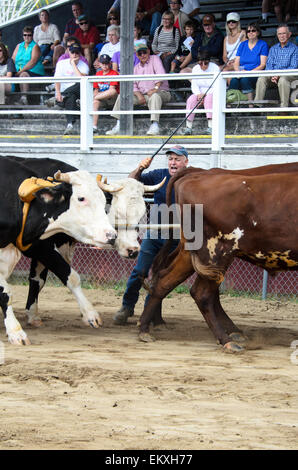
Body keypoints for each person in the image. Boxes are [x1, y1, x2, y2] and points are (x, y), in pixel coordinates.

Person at [113, 145, 189, 325]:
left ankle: (150, 312)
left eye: (177, 159)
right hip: (154, 235)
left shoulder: (192, 178)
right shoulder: (158, 174)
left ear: (186, 162)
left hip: (177, 239)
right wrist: (141, 168)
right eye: (170, 158)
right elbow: (131, 181)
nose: (173, 162)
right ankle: (127, 306)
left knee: (161, 276)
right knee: (139, 271)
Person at [106, 43, 171, 136]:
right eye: (140, 53)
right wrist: (139, 96)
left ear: (148, 51)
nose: (143, 55)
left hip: (161, 92)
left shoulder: (155, 59)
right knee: (122, 97)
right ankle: (118, 125)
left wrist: (155, 89)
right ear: (137, 55)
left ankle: (155, 125)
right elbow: (133, 84)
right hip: (144, 95)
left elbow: (160, 74)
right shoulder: (136, 68)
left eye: (144, 52)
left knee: (155, 96)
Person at [254, 24, 298, 110]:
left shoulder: (295, 49)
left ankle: (283, 108)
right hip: (274, 75)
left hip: (289, 75)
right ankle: (257, 106)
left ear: (289, 34)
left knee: (283, 79)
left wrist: (279, 75)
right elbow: (269, 65)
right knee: (261, 79)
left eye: (284, 33)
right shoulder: (273, 49)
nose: (282, 36)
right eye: (279, 34)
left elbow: (293, 66)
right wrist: (273, 75)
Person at [54, 43, 89, 135]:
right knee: (71, 97)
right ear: (69, 52)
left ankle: (64, 96)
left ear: (80, 54)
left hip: (79, 91)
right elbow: (57, 79)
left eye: (77, 53)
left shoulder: (84, 65)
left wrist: (73, 64)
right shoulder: (61, 63)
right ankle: (70, 124)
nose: (74, 55)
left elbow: (82, 79)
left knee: (80, 83)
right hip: (65, 94)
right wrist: (58, 93)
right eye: (72, 52)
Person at [228, 23, 269, 103]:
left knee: (244, 80)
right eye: (248, 31)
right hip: (242, 73)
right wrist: (238, 73)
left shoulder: (263, 44)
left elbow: (262, 64)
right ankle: (230, 106)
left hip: (255, 73)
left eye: (253, 31)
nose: (250, 33)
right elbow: (236, 63)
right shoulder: (242, 45)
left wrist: (249, 73)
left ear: (258, 32)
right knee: (234, 80)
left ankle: (250, 105)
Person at [182, 51, 219, 134]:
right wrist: (198, 94)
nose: (203, 66)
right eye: (200, 63)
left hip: (212, 92)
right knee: (191, 100)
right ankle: (188, 127)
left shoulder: (215, 68)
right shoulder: (195, 69)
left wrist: (205, 94)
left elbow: (216, 85)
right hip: (199, 92)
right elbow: (194, 84)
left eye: (205, 63)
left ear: (209, 61)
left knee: (209, 99)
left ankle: (211, 126)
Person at [12, 25, 45, 105]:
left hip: (33, 71)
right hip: (19, 70)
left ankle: (24, 98)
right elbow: (13, 58)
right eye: (25, 35)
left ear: (32, 35)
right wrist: (12, 71)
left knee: (23, 75)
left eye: (29, 35)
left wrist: (20, 71)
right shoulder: (19, 46)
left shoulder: (35, 46)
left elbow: (32, 62)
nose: (27, 37)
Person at [93, 54, 119, 133]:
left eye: (106, 63)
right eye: (103, 63)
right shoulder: (98, 74)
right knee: (95, 102)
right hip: (102, 98)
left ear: (110, 63)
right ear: (100, 64)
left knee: (112, 91)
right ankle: (94, 126)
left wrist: (96, 96)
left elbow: (112, 90)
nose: (104, 65)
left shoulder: (114, 73)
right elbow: (96, 89)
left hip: (113, 99)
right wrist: (96, 96)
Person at [53, 1, 84, 67]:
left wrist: (71, 47)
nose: (76, 12)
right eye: (74, 10)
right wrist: (66, 46)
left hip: (79, 44)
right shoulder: (70, 22)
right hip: (68, 43)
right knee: (57, 48)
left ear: (81, 9)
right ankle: (55, 70)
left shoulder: (85, 21)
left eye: (77, 9)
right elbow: (65, 36)